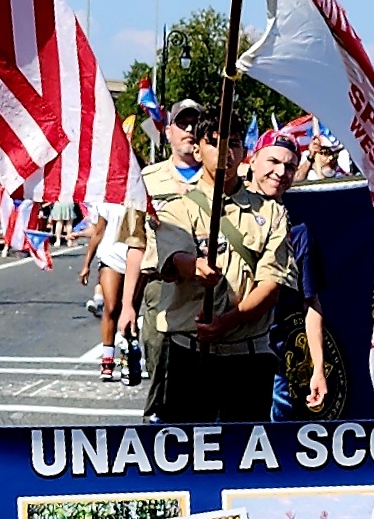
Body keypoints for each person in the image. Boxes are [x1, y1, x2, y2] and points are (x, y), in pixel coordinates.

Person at [153, 110, 294, 423]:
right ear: (197, 149)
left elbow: (272, 284)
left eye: (234, 144)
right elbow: (173, 259)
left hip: (248, 356)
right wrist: (195, 267)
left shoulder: (271, 213)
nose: (226, 153)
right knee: (186, 454)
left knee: (246, 456)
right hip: (190, 354)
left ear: (244, 151)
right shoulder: (179, 206)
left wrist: (228, 321)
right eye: (215, 143)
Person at [136, 99, 207, 419]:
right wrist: (125, 307)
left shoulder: (223, 177)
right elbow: (135, 242)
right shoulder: (148, 180)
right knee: (162, 376)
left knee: (206, 380)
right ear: (168, 132)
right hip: (160, 288)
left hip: (211, 288)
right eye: (183, 123)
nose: (190, 130)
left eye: (196, 123)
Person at [251, 135, 329, 419]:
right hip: (220, 354)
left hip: (271, 359)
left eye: (289, 166)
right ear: (253, 160)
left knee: (270, 451)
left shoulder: (298, 231)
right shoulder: (221, 212)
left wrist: (317, 368)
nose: (280, 172)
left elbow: (311, 303)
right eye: (272, 161)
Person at [78, 202, 144, 381]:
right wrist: (86, 265)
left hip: (137, 256)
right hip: (111, 256)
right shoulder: (107, 202)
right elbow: (98, 232)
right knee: (112, 306)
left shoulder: (142, 199)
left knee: (131, 310)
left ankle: (128, 358)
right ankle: (107, 359)